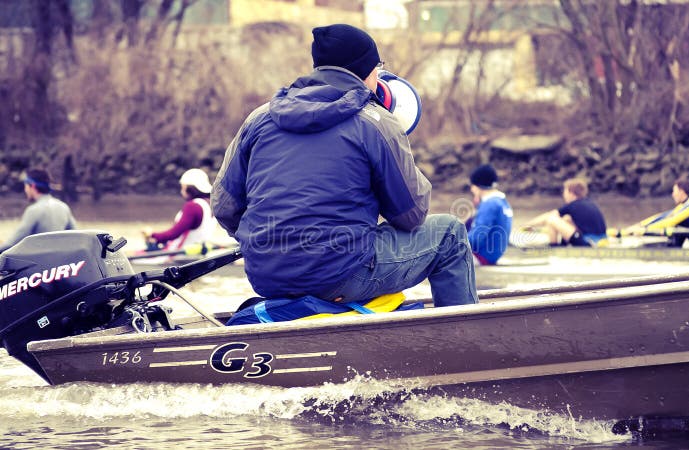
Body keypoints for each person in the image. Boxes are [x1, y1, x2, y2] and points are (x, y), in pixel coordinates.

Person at [212, 24, 477, 308]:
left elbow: (223, 207)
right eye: (377, 67)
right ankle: (464, 332)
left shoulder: (259, 118)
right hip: (341, 275)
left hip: (266, 277)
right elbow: (412, 214)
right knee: (449, 233)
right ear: (367, 70)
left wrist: (272, 244)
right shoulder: (375, 122)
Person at [627, 178, 689, 248]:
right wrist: (639, 225)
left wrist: (644, 230)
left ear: (681, 192)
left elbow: (669, 222)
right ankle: (673, 246)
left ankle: (673, 248)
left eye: (674, 191)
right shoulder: (686, 205)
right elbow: (662, 217)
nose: (672, 194)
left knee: (678, 224)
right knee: (679, 224)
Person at [0, 168, 77, 253]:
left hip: (37, 260)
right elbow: (76, 237)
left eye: (26, 186)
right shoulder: (63, 207)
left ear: (32, 186)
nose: (25, 190)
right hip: (58, 259)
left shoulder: (34, 210)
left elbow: (11, 244)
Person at [142, 168, 218, 251]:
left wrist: (152, 235)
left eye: (183, 188)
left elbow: (174, 233)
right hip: (198, 252)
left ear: (189, 188)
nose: (181, 192)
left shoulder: (193, 206)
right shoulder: (211, 205)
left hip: (179, 253)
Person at [524, 178, 607, 247]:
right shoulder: (589, 203)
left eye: (565, 192)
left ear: (571, 193)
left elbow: (547, 216)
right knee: (567, 219)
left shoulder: (573, 205)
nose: (563, 195)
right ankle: (563, 245)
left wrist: (525, 226)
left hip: (589, 243)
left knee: (551, 219)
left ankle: (553, 247)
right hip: (601, 241)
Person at [466, 164, 513, 265]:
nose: (471, 189)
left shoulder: (489, 204)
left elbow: (477, 236)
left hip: (481, 256)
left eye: (472, 185)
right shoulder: (502, 201)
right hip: (493, 255)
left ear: (478, 186)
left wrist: (454, 245)